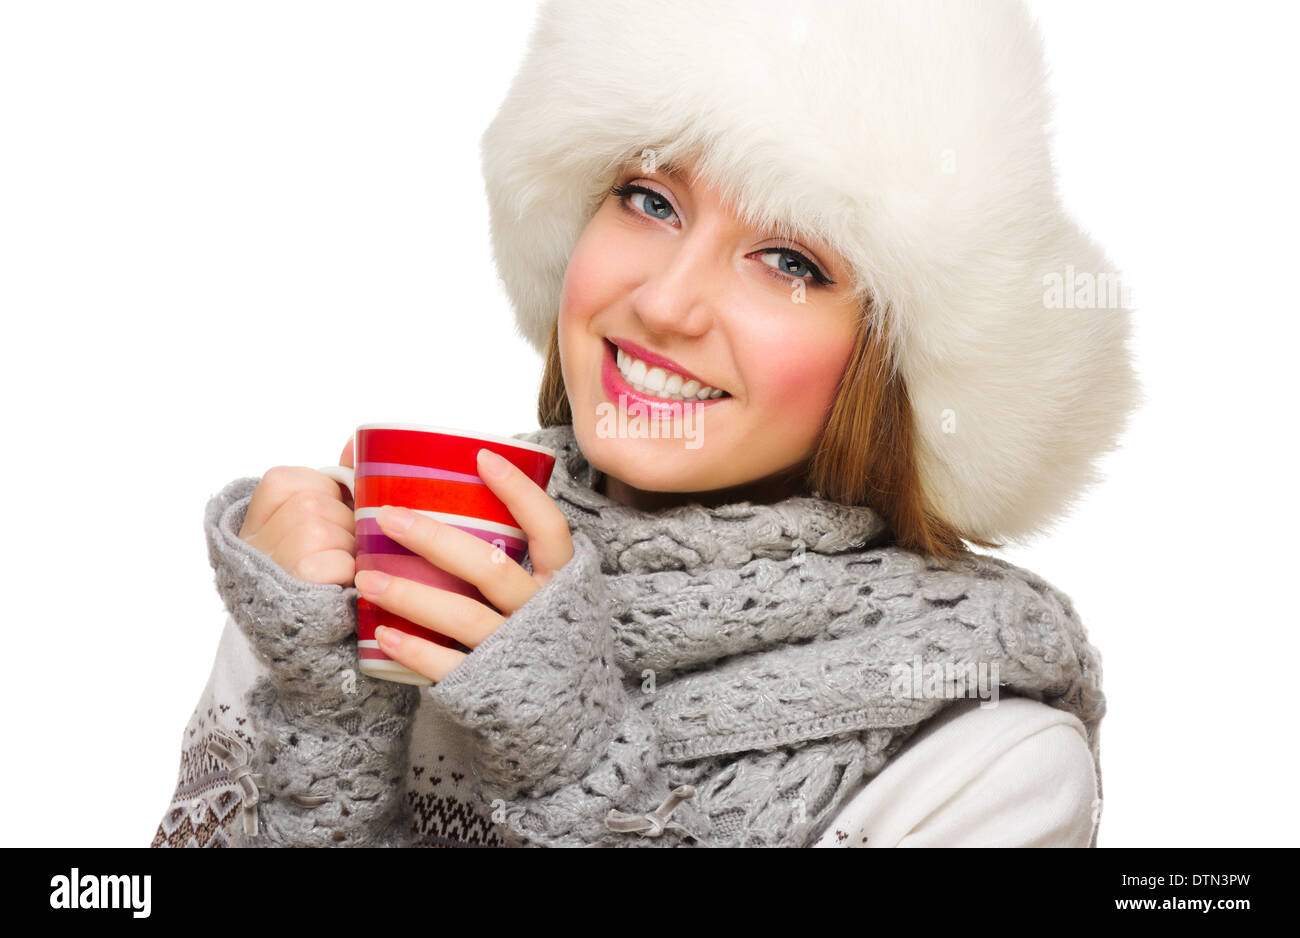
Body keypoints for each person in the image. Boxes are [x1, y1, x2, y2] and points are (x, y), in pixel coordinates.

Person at [153, 0, 1140, 848]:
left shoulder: (984, 755)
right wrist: (324, 711)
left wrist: (575, 768)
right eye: (649, 199)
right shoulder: (355, 582)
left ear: (893, 362)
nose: (666, 303)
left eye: (791, 260)